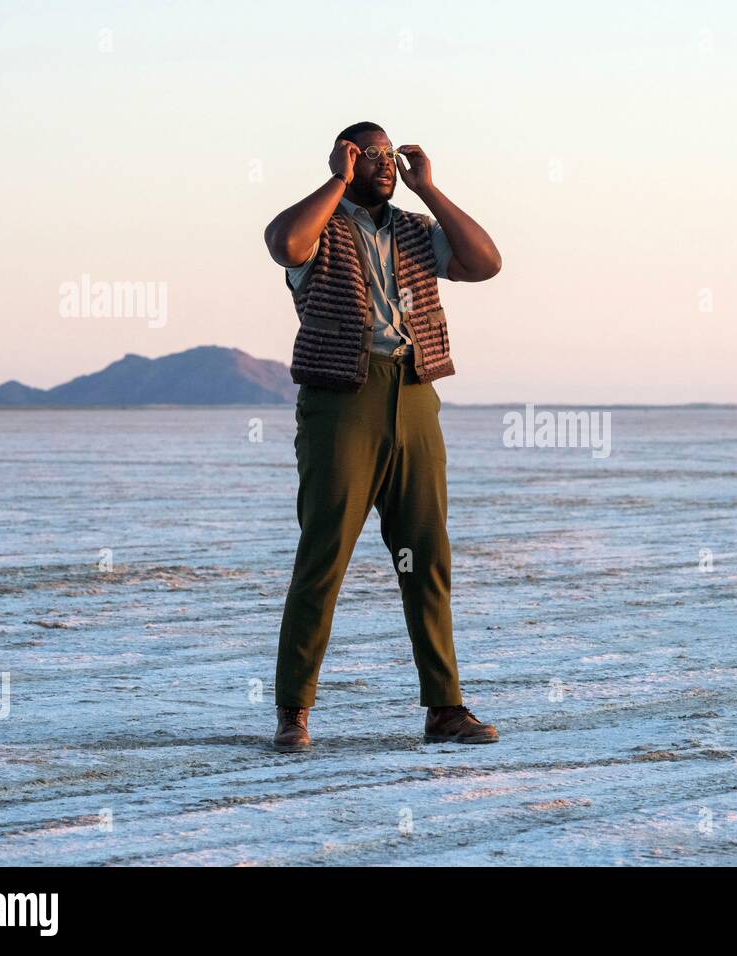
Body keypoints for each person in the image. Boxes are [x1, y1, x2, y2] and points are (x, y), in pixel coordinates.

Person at [263, 122, 503, 752]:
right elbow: (284, 243)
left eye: (390, 155)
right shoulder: (318, 227)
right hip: (343, 401)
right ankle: (294, 710)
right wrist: (336, 181)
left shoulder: (416, 231)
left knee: (427, 556)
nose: (384, 163)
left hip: (416, 394)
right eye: (369, 154)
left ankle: (444, 708)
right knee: (324, 555)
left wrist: (431, 190)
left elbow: (486, 263)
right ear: (345, 157)